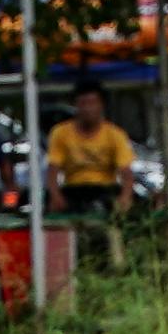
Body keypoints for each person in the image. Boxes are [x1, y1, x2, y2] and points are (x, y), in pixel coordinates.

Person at [44, 85, 136, 249]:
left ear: (101, 105)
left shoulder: (115, 134)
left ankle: (119, 254)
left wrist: (125, 197)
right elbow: (52, 170)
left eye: (92, 103)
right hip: (73, 189)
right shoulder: (60, 132)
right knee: (49, 209)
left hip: (104, 189)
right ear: (75, 106)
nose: (88, 109)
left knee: (126, 212)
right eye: (83, 103)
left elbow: (126, 172)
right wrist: (55, 195)